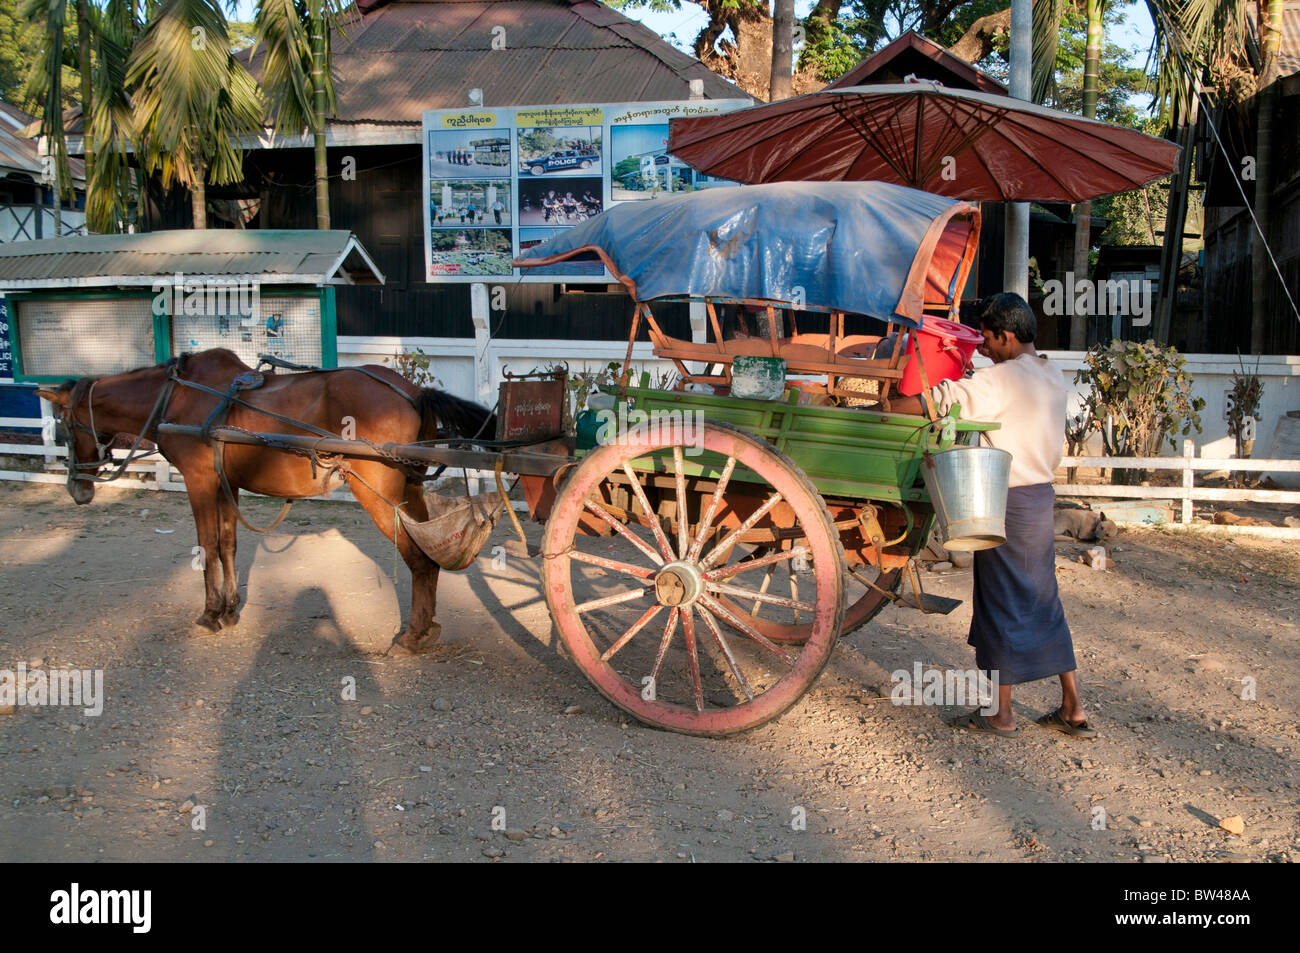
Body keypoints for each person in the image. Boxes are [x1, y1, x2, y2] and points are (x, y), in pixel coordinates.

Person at [891, 292, 1096, 740]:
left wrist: (881, 411)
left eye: (986, 338)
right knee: (1042, 600)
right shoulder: (1049, 370)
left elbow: (939, 401)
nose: (982, 347)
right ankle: (1073, 707)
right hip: (1040, 497)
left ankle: (1002, 715)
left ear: (1006, 336)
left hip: (1006, 499)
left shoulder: (1002, 380)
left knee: (1002, 601)